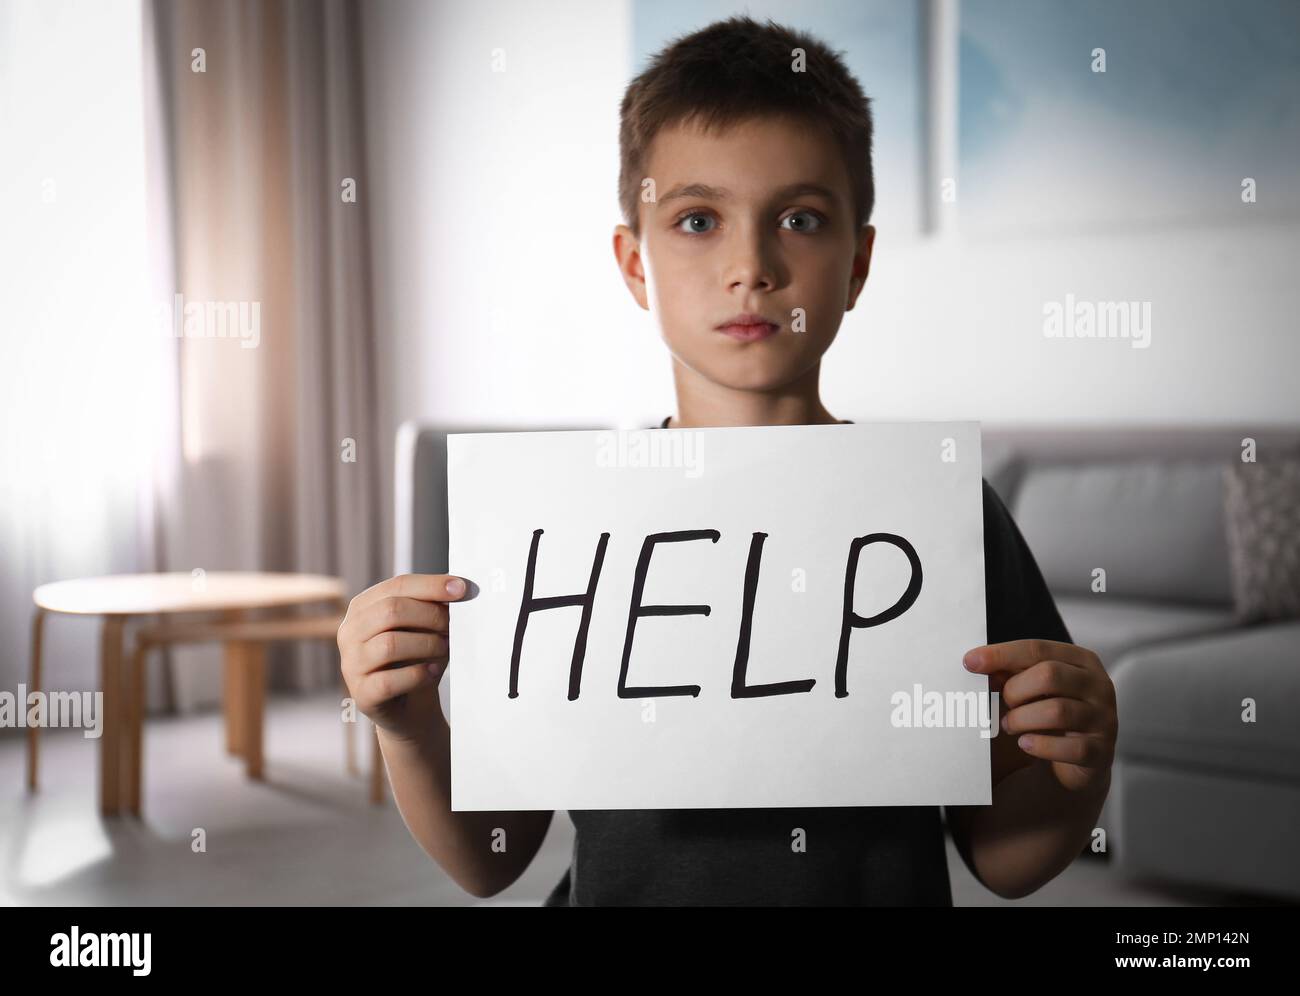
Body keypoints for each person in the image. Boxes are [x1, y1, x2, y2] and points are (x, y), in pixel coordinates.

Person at [337, 14, 1117, 906]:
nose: (751, 267)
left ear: (858, 263)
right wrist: (406, 727)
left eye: (800, 218)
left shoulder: (944, 515)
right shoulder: (566, 528)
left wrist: (1078, 773)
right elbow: (493, 860)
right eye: (698, 219)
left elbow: (1000, 858)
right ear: (635, 264)